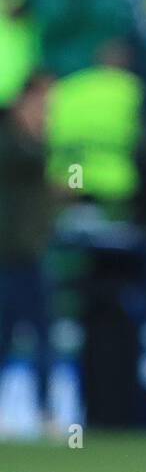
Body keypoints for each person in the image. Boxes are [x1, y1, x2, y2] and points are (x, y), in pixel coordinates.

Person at [0, 72, 56, 430]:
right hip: (7, 257)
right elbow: (30, 161)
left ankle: (44, 411)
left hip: (32, 255)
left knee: (43, 337)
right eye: (40, 104)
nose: (46, 113)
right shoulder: (11, 144)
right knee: (5, 337)